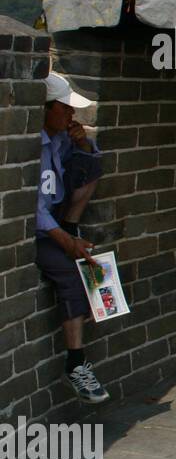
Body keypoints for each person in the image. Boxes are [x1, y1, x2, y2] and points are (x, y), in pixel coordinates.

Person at [35, 72, 106, 404]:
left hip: (62, 219)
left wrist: (81, 143)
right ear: (45, 109)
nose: (70, 116)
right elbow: (37, 211)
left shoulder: (60, 140)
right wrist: (65, 240)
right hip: (41, 231)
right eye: (64, 109)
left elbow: (87, 168)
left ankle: (74, 228)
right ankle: (75, 363)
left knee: (90, 162)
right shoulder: (31, 145)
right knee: (72, 275)